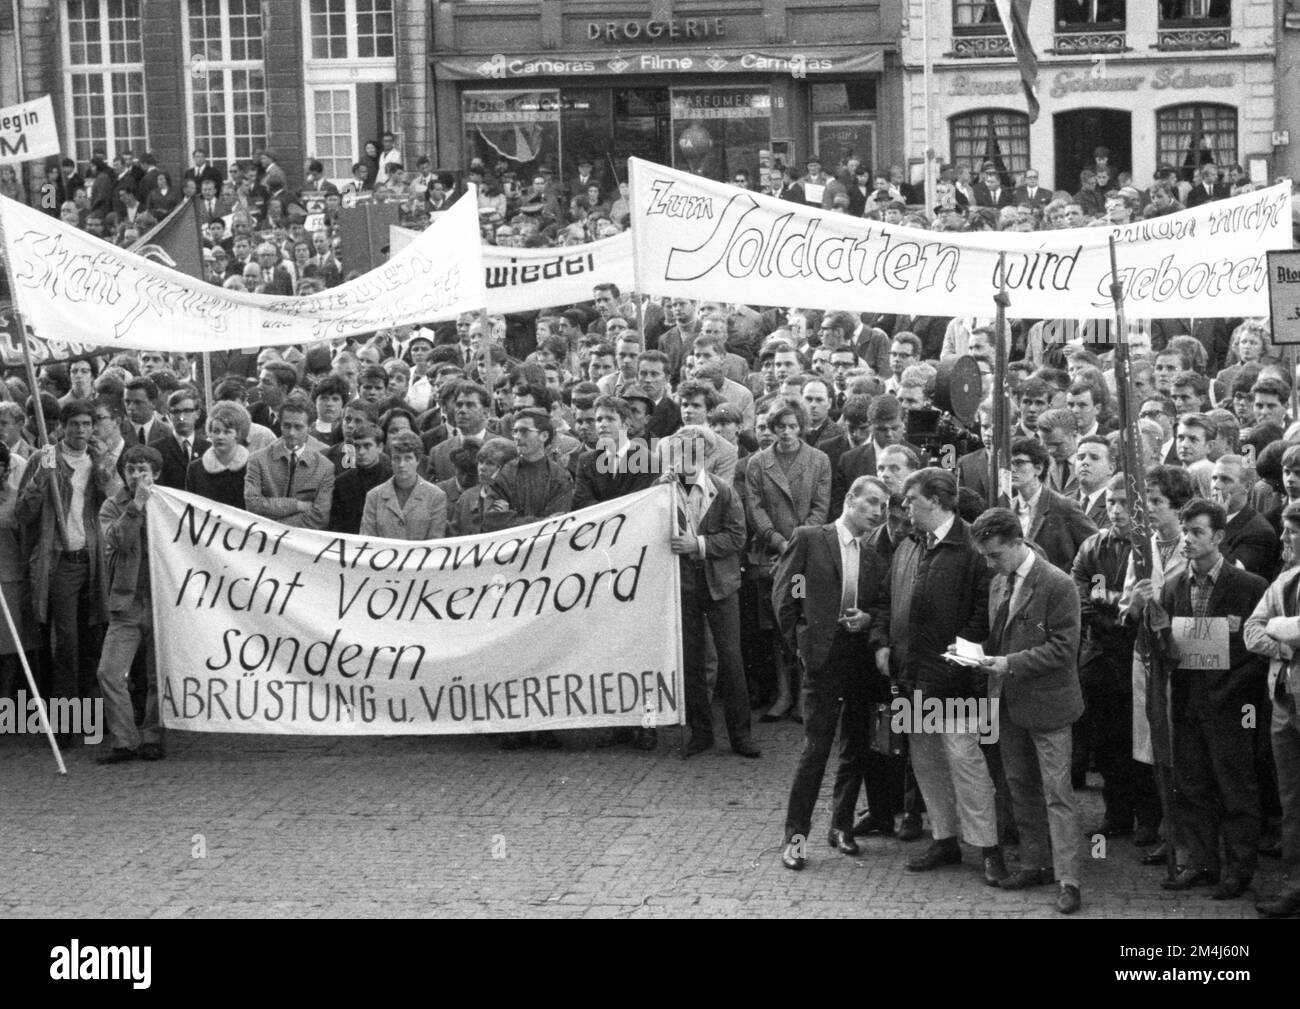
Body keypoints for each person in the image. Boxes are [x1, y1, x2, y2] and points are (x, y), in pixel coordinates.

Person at [870, 468, 1005, 885]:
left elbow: (984, 614)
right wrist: (882, 642)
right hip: (911, 674)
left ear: (939, 501)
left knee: (965, 760)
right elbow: (886, 600)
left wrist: (956, 659)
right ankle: (945, 837)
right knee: (925, 759)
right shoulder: (908, 544)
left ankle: (988, 847)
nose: (905, 508)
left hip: (954, 678)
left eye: (912, 501)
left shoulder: (971, 547)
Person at [970, 507, 1085, 914]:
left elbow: (1063, 649)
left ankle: (1069, 880)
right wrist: (974, 656)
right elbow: (999, 637)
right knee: (1020, 786)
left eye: (995, 554)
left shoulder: (1058, 584)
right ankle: (1036, 862)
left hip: (1048, 704)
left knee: (1057, 793)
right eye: (985, 556)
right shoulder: (999, 582)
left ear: (1018, 543)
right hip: (1009, 702)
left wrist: (1009, 663)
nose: (989, 563)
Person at [774, 475, 890, 869]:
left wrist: (868, 618)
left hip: (859, 660)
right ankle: (795, 838)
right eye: (871, 503)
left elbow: (878, 605)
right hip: (822, 659)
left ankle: (841, 826)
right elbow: (788, 595)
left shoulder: (874, 556)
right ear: (850, 499)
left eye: (882, 506)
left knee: (856, 746)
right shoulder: (810, 538)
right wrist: (802, 648)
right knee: (815, 748)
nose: (877, 512)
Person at [1158, 498, 1268, 898]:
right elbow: (1169, 645)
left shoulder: (1249, 587)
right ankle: (1201, 863)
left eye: (1197, 532)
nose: (1187, 539)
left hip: (1233, 707)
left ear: (1218, 537)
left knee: (1236, 788)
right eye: (1184, 531)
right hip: (1188, 704)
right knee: (1192, 786)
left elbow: (1257, 649)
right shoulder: (1172, 587)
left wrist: (1233, 691)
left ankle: (1239, 870)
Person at [16, 400, 118, 733]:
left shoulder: (99, 460)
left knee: (93, 638)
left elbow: (113, 502)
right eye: (74, 424)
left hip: (93, 559)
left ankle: (91, 717)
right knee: (67, 644)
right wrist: (41, 481)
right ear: (62, 426)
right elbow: (23, 514)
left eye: (87, 424)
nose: (80, 431)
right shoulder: (44, 458)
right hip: (60, 560)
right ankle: (64, 722)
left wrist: (105, 472)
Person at [662, 426, 759, 759]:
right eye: (679, 452)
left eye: (694, 453)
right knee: (690, 659)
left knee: (731, 659)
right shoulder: (661, 491)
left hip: (720, 584)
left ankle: (740, 735)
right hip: (682, 586)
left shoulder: (723, 491)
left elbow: (737, 537)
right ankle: (700, 732)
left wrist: (699, 544)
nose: (685, 460)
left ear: (705, 456)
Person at [746, 400, 832, 721]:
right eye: (780, 426)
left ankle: (802, 696)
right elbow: (755, 508)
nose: (786, 433)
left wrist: (797, 543)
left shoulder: (819, 460)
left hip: (805, 557)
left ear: (802, 428)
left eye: (792, 426)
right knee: (774, 625)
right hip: (771, 556)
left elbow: (821, 507)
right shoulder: (758, 463)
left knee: (801, 623)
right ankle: (783, 693)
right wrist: (777, 540)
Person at [1243, 501, 1300, 916]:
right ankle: (1294, 883)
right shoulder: (1284, 580)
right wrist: (1282, 642)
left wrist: (1282, 627)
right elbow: (1251, 629)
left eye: (1292, 531)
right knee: (1292, 798)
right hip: (1284, 702)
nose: (1283, 539)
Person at [95, 444, 166, 764]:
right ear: (123, 473)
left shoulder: (168, 505)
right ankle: (125, 739)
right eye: (131, 470)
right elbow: (119, 541)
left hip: (162, 603)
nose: (136, 476)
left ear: (156, 475)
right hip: (126, 602)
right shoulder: (112, 506)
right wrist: (136, 505)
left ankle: (152, 735)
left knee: (157, 675)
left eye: (143, 471)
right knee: (110, 672)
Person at [244, 393, 335, 529]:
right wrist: (298, 505)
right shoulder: (257, 460)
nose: (292, 432)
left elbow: (319, 516)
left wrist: (275, 527)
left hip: (300, 542)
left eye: (298, 427)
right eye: (287, 426)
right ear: (280, 425)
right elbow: (253, 505)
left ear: (310, 427)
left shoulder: (324, 467)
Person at [361, 431, 447, 539]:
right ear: (391, 460)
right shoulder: (374, 496)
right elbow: (367, 541)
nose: (401, 464)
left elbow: (436, 543)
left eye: (408, 458)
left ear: (418, 460)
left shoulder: (436, 496)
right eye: (397, 458)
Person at [186, 400, 251, 510]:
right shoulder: (195, 468)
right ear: (210, 433)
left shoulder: (253, 466)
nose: (220, 436)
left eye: (227, 432)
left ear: (238, 435)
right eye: (216, 431)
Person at [329, 422, 392, 535]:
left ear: (380, 448)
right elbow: (335, 525)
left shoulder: (392, 479)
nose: (361, 452)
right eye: (357, 446)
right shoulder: (341, 483)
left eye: (367, 446)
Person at [154, 389, 208, 489]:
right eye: (176, 412)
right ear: (169, 415)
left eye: (187, 411)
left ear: (197, 414)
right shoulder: (157, 449)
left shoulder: (208, 450)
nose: (182, 418)